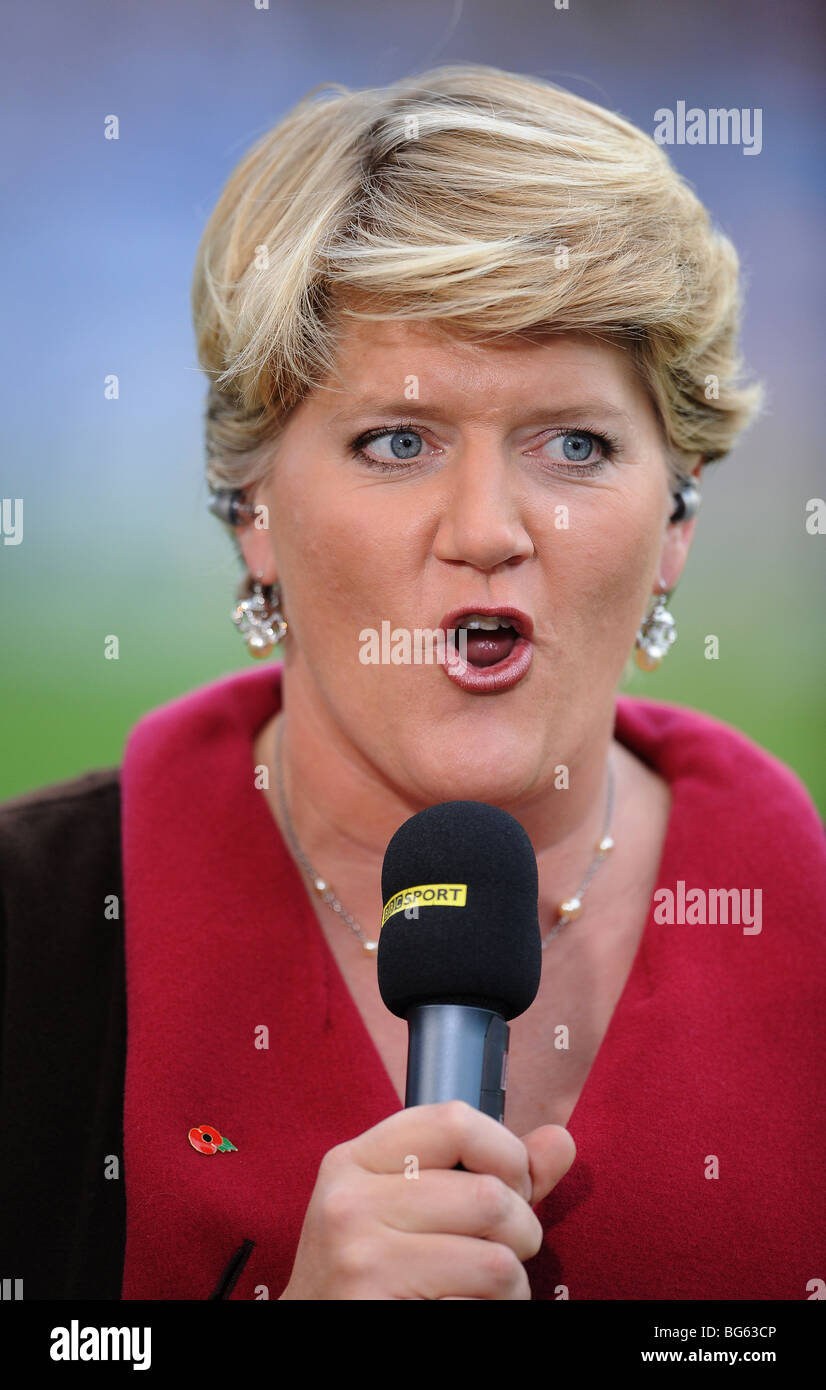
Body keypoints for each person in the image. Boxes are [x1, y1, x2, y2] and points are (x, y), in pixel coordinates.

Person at [1, 63, 823, 1302]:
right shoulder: (33, 940)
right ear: (254, 513)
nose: (486, 526)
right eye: (398, 440)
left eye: (575, 443)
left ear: (675, 525)